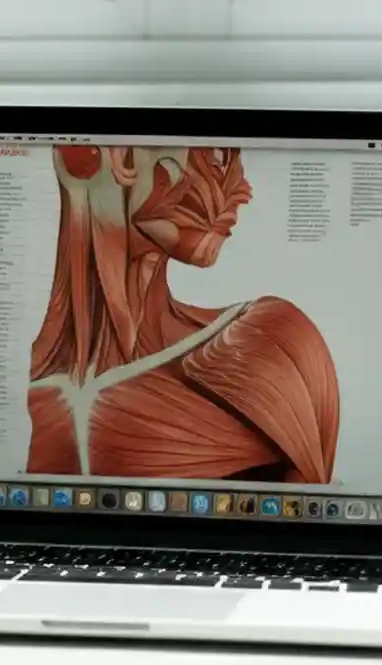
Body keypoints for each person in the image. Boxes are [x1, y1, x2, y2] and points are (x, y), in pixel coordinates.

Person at [27, 145, 339, 484]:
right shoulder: (13, 393)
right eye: (212, 152)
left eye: (227, 155)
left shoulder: (268, 347)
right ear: (103, 156)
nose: (241, 190)